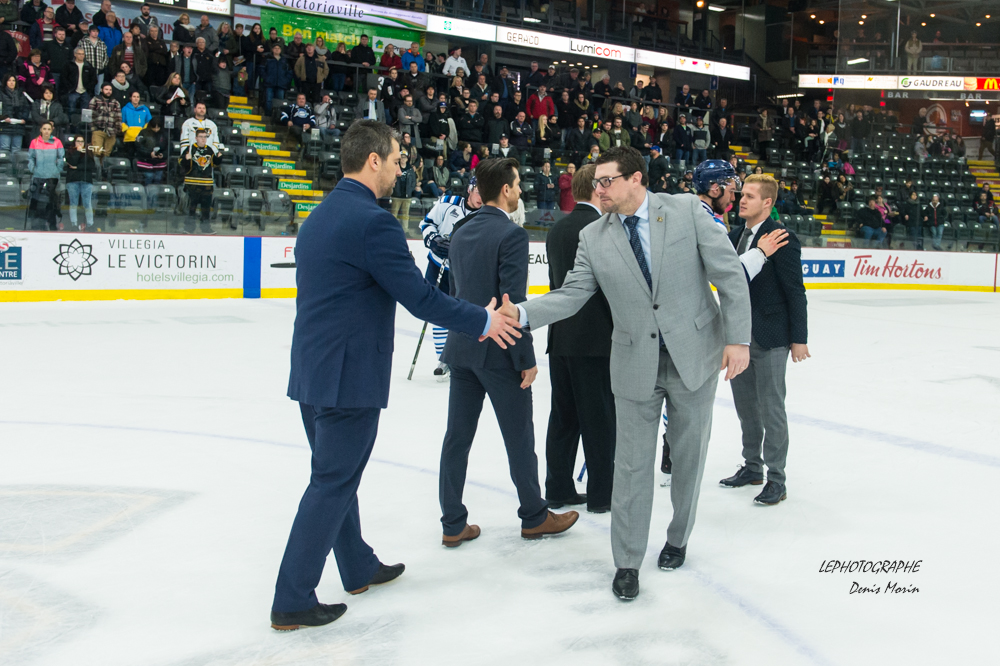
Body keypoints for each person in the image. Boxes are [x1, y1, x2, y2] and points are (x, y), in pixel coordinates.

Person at [270, 121, 520, 630]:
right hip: (347, 377)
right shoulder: (373, 222)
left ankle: (357, 564)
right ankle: (292, 597)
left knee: (338, 476)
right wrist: (483, 319)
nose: (400, 168)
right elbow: (420, 297)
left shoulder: (318, 215)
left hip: (313, 372)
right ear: (374, 161)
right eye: (396, 159)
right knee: (333, 481)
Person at [499, 147, 751, 601]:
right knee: (631, 467)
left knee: (688, 458)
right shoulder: (594, 236)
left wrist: (738, 340)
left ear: (635, 178)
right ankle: (627, 562)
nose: (597, 189)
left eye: (606, 181)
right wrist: (521, 313)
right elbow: (572, 294)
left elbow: (730, 275)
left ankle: (678, 538)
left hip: (694, 354)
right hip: (635, 363)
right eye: (596, 182)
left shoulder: (686, 210)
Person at [439, 156, 578, 548]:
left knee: (457, 438)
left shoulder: (461, 230)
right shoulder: (511, 235)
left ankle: (452, 523)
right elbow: (511, 304)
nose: (520, 191)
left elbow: (455, 293)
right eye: (517, 185)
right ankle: (534, 516)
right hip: (499, 353)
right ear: (505, 189)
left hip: (462, 347)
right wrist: (526, 358)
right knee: (519, 438)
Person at [722, 174, 809, 505]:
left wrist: (799, 338)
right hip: (737, 338)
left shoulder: (782, 237)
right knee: (746, 407)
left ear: (767, 202)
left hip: (771, 336)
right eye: (741, 194)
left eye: (750, 196)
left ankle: (776, 478)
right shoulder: (733, 237)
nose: (742, 200)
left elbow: (795, 290)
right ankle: (752, 467)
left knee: (772, 408)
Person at [543, 163, 615, 512]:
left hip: (561, 337)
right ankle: (602, 495)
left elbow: (555, 282)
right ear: (597, 189)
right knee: (599, 420)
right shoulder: (602, 228)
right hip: (596, 341)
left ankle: (557, 488)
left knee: (563, 417)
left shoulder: (557, 228)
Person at [419, 178, 483, 377]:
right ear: (469, 190)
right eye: (478, 191)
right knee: (437, 312)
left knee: (461, 313)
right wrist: (434, 241)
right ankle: (444, 358)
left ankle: (458, 355)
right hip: (437, 266)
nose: (481, 197)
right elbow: (426, 223)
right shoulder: (448, 202)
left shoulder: (486, 215)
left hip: (464, 273)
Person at [179, 128, 219, 234]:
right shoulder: (190, 149)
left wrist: (219, 158)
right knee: (191, 208)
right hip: (192, 184)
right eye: (201, 137)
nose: (203, 139)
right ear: (196, 138)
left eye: (205, 137)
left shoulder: (209, 150)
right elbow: (181, 164)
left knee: (206, 209)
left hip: (206, 185)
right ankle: (189, 228)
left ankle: (206, 228)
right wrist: (186, 159)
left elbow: (215, 164)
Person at [26, 119, 63, 230]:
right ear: (41, 130)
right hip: (38, 175)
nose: (47, 131)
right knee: (36, 200)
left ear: (52, 130)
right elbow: (30, 157)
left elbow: (61, 158)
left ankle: (52, 225)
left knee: (51, 202)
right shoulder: (34, 142)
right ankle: (35, 225)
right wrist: (33, 169)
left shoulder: (57, 142)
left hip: (52, 176)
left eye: (49, 129)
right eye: (44, 129)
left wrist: (57, 170)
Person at [88, 82, 120, 178]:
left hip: (111, 131)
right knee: (97, 152)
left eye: (110, 90)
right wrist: (93, 129)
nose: (108, 91)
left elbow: (118, 118)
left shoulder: (115, 102)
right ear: (102, 90)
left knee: (106, 153)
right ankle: (98, 172)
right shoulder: (95, 100)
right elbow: (90, 115)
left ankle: (104, 173)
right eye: (106, 89)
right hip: (98, 130)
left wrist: (117, 130)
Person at [65, 134, 94, 229]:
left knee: (87, 203)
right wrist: (77, 151)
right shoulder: (70, 152)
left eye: (82, 141)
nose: (80, 143)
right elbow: (71, 162)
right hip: (73, 180)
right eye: (78, 141)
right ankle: (73, 223)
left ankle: (90, 223)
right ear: (74, 142)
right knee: (73, 203)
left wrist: (77, 167)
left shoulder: (89, 152)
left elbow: (91, 166)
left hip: (86, 180)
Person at [135, 116, 167, 186]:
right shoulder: (143, 132)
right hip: (145, 161)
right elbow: (139, 146)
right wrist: (149, 153)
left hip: (159, 162)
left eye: (158, 127)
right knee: (149, 177)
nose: (156, 129)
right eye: (154, 127)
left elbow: (169, 147)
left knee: (158, 178)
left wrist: (163, 155)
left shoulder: (164, 134)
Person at [62, 46, 94, 114]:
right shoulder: (69, 65)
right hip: (72, 91)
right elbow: (64, 77)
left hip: (85, 91)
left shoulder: (88, 65)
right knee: (71, 109)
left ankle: (83, 121)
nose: (81, 56)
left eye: (83, 54)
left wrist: (89, 88)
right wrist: (69, 87)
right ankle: (71, 120)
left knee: (85, 111)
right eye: (79, 54)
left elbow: (93, 79)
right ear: (75, 54)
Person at [121, 90, 150, 155]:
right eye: (134, 96)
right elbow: (122, 121)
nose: (136, 98)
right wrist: (127, 130)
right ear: (130, 98)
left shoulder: (145, 109)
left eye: (138, 97)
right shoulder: (125, 109)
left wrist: (144, 131)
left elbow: (149, 122)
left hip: (141, 138)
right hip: (129, 138)